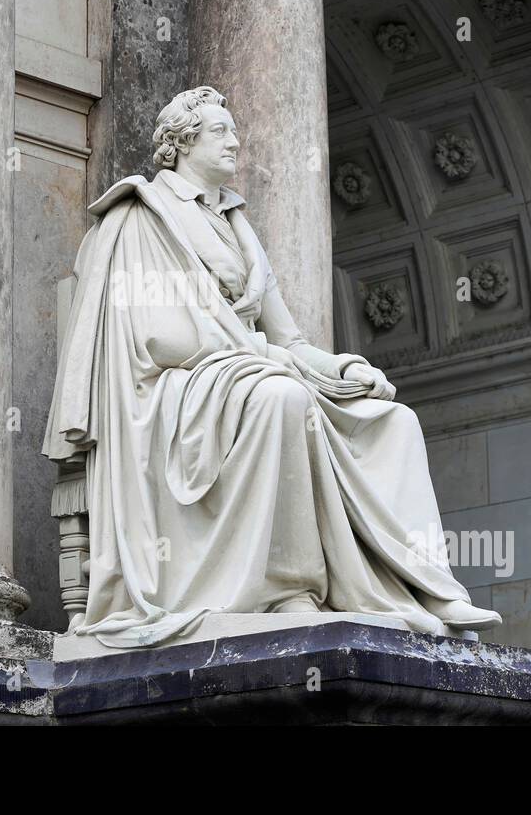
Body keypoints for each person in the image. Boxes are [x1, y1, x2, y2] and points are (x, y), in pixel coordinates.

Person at [43, 86, 501, 648]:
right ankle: (289, 588)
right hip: (165, 393)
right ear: (182, 144)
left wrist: (339, 368)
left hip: (241, 373)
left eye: (233, 130)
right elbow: (164, 338)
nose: (235, 141)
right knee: (282, 398)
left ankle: (418, 585)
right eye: (220, 131)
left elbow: (288, 337)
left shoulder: (238, 225)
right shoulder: (140, 216)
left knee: (393, 421)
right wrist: (271, 359)